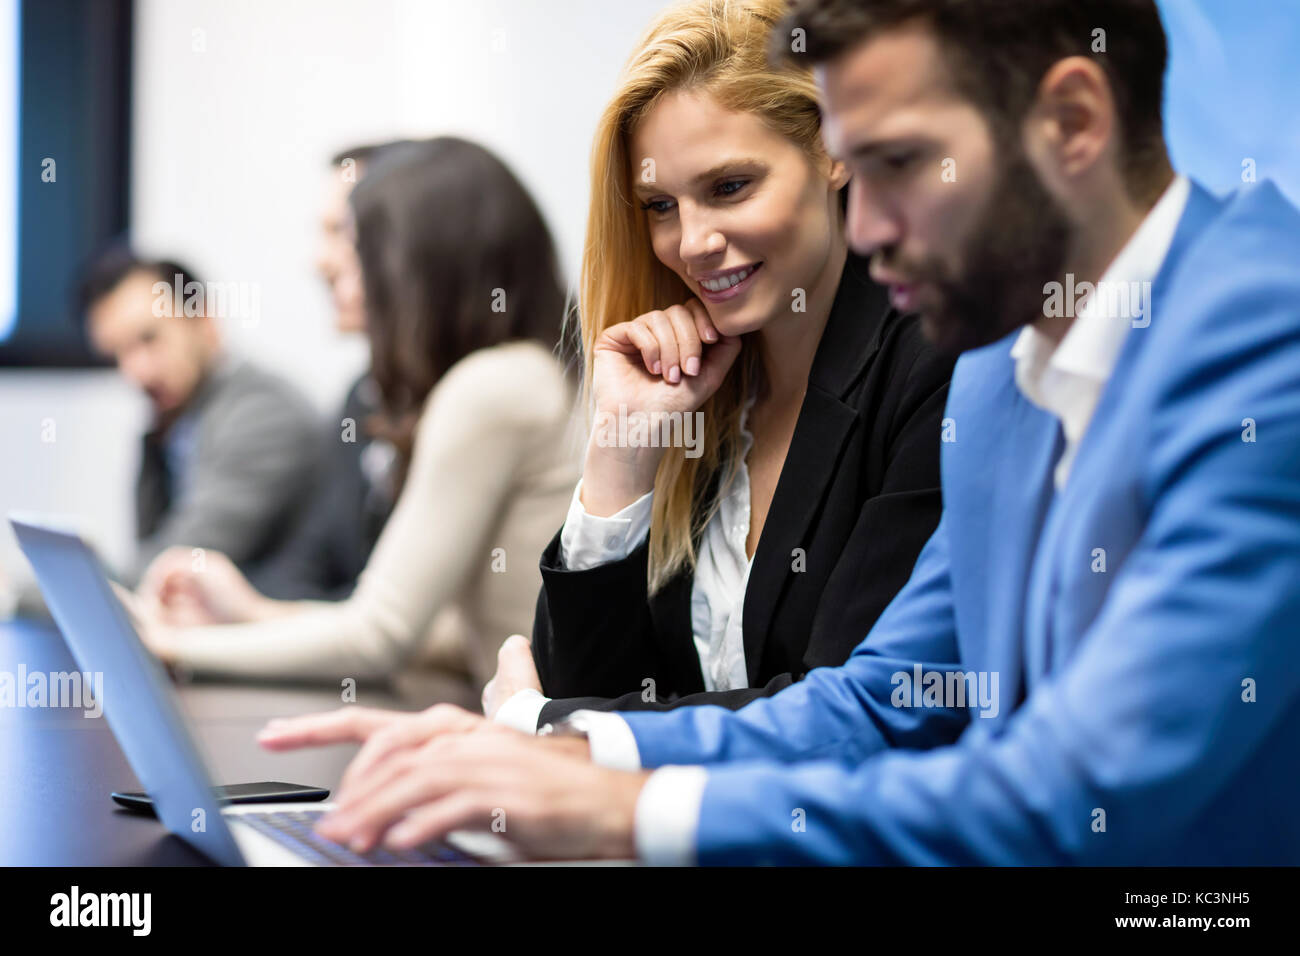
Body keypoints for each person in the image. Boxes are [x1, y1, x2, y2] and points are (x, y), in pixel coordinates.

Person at [261, 0, 1300, 866]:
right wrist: (565, 743)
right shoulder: (999, 368)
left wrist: (624, 808)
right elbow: (883, 702)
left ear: (1072, 120)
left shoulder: (1269, 342)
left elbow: (1077, 788)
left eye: (900, 164)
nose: (867, 227)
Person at [484, 0, 953, 732]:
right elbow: (604, 687)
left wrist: (552, 727)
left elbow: (856, 714)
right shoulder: (700, 390)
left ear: (835, 152)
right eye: (660, 205)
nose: (692, 241)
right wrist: (619, 460)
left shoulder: (932, 363)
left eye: (730, 187)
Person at [134, 138, 582, 690]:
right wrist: (256, 613)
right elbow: (444, 633)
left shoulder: (490, 388)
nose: (336, 270)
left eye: (360, 251)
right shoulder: (530, 372)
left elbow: (380, 637)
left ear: (424, 266)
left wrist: (170, 644)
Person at [233, 139, 417, 604]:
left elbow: (395, 621)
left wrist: (249, 618)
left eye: (343, 232)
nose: (320, 261)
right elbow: (309, 561)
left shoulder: (470, 395)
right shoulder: (364, 394)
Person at [77, 248, 319, 585]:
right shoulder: (177, 423)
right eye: (117, 355)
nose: (136, 372)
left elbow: (170, 570)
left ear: (205, 321)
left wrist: (17, 594)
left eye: (149, 338)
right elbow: (148, 550)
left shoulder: (265, 417)